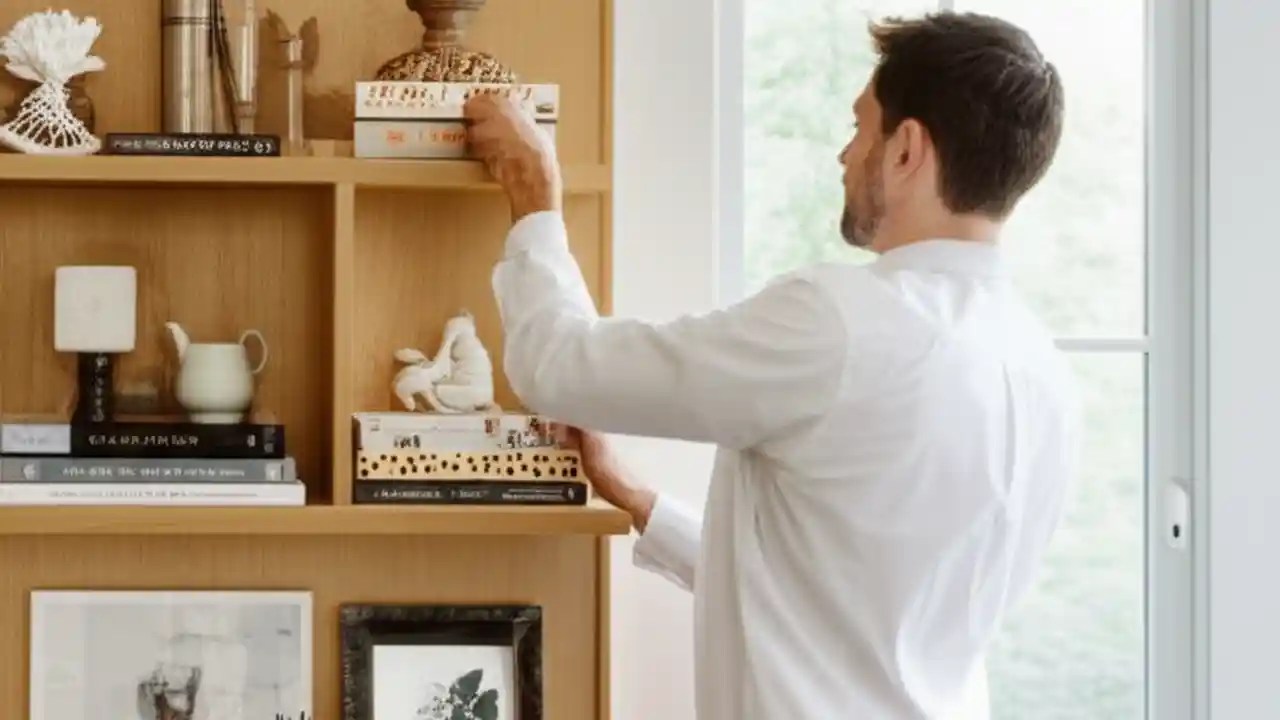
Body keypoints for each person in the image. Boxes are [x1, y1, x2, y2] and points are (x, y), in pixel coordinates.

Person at [464, 9, 1077, 720]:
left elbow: (557, 367)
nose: (846, 156)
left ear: (907, 148)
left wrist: (535, 194)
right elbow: (838, 601)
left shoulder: (838, 321)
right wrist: (634, 497)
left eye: (860, 128)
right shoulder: (1043, 371)